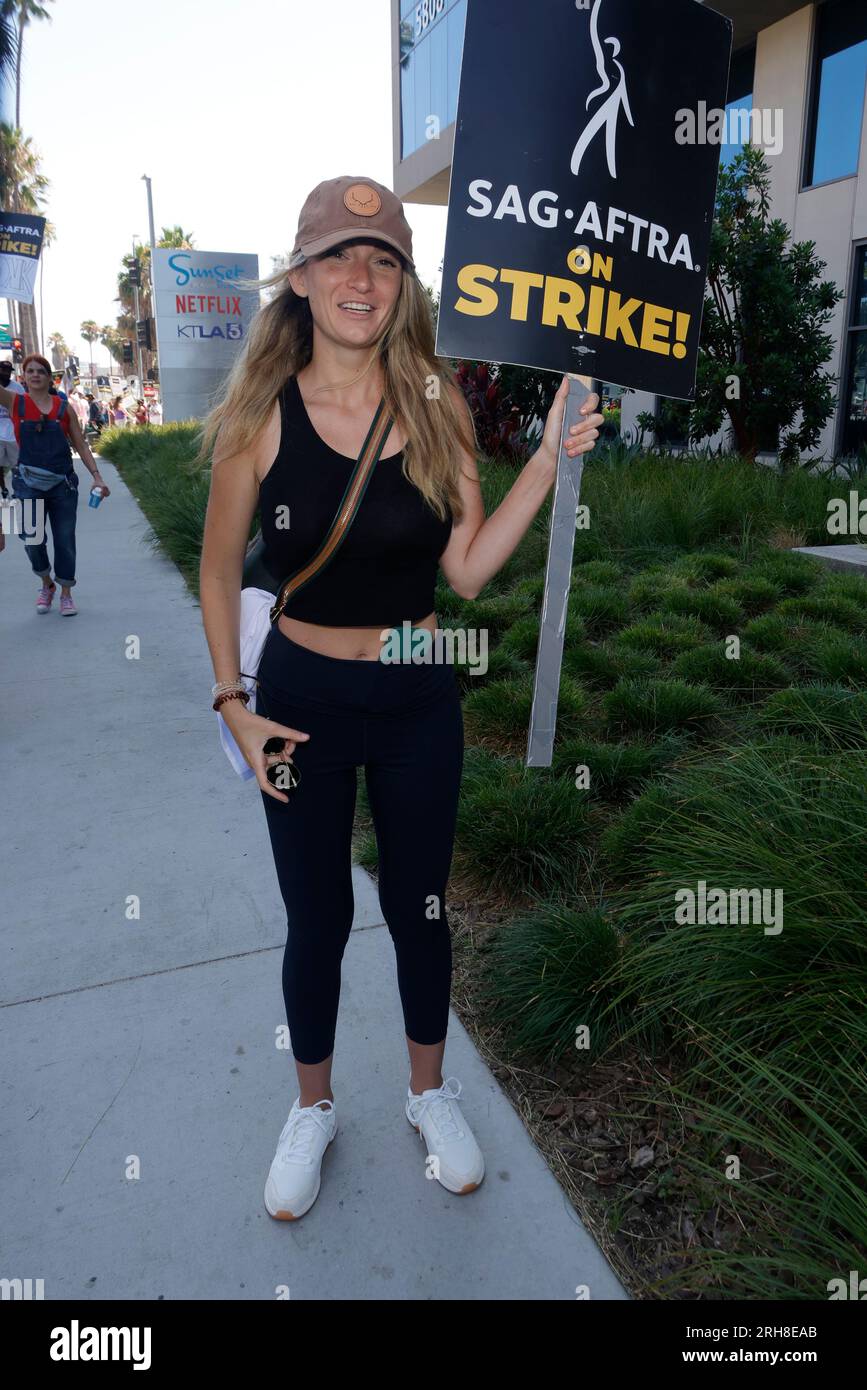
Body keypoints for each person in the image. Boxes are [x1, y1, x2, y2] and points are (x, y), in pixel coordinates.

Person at [197, 175, 602, 1222]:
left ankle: (430, 1093)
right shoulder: (259, 415)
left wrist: (550, 462)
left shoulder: (436, 403)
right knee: (315, 916)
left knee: (421, 908)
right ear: (300, 276)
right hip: (296, 699)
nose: (360, 276)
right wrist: (231, 704)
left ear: (404, 283)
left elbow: (465, 571)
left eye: (382, 257)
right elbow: (214, 572)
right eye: (338, 255)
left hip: (419, 698)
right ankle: (313, 1107)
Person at [0, 353, 111, 614]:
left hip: (62, 485)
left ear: (50, 378)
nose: (35, 374)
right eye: (30, 371)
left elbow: (81, 444)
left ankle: (66, 593)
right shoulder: (16, 402)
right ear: (23, 378)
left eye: (41, 371)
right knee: (32, 540)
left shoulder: (64, 408)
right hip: (27, 484)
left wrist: (96, 475)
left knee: (64, 541)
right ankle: (46, 583)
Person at [0, 358, 25, 499]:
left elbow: (24, 406)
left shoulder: (17, 388)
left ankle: (17, 490)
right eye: (3, 370)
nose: (6, 373)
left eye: (9, 371)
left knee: (17, 466)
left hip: (13, 435)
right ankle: (3, 489)